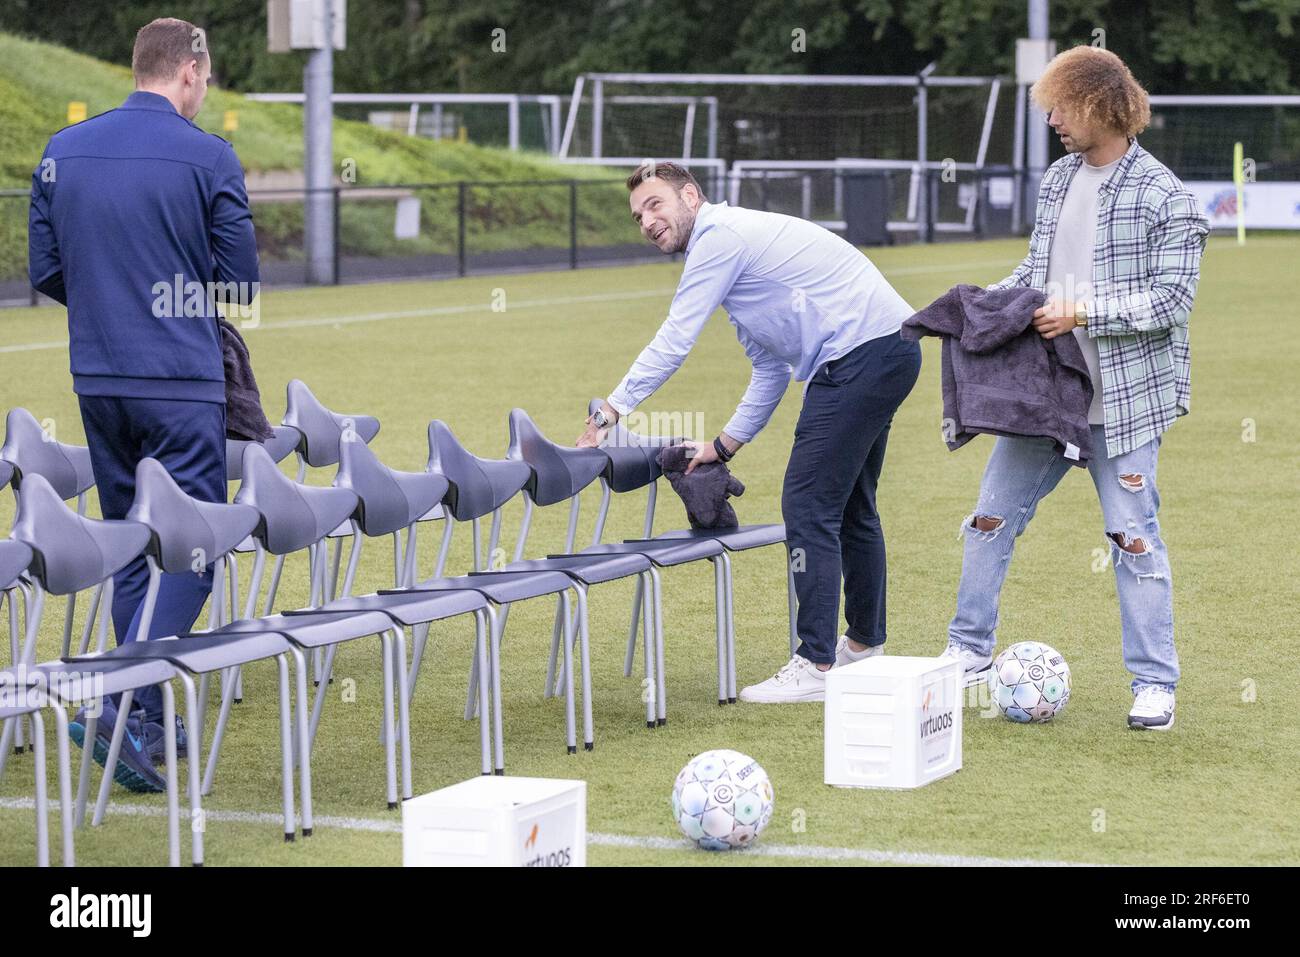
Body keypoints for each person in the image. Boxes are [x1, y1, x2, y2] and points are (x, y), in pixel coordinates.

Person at [577, 162, 920, 703]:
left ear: (690, 195)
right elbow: (770, 368)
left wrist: (611, 411)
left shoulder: (719, 238)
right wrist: (723, 446)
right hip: (886, 351)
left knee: (808, 504)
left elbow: (675, 338)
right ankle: (861, 646)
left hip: (861, 356)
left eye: (656, 204)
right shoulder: (735, 264)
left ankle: (817, 666)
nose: (646, 220)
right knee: (851, 504)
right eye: (638, 213)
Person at [937, 46, 1208, 731]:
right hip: (1049, 398)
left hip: (1123, 404)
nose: (1053, 119)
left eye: (1061, 105)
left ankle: (1154, 684)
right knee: (987, 523)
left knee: (1132, 539)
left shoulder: (1165, 195)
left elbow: (1172, 299)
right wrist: (974, 306)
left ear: (1100, 103)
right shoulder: (1058, 178)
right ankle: (966, 653)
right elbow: (1035, 267)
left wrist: (1082, 308)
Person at [28, 17, 259, 788]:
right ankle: (121, 703)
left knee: (134, 542)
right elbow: (242, 285)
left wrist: (111, 305)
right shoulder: (209, 154)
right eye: (208, 77)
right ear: (188, 72)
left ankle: (148, 722)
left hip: (97, 379)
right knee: (193, 547)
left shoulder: (64, 150)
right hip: (179, 380)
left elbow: (47, 269)